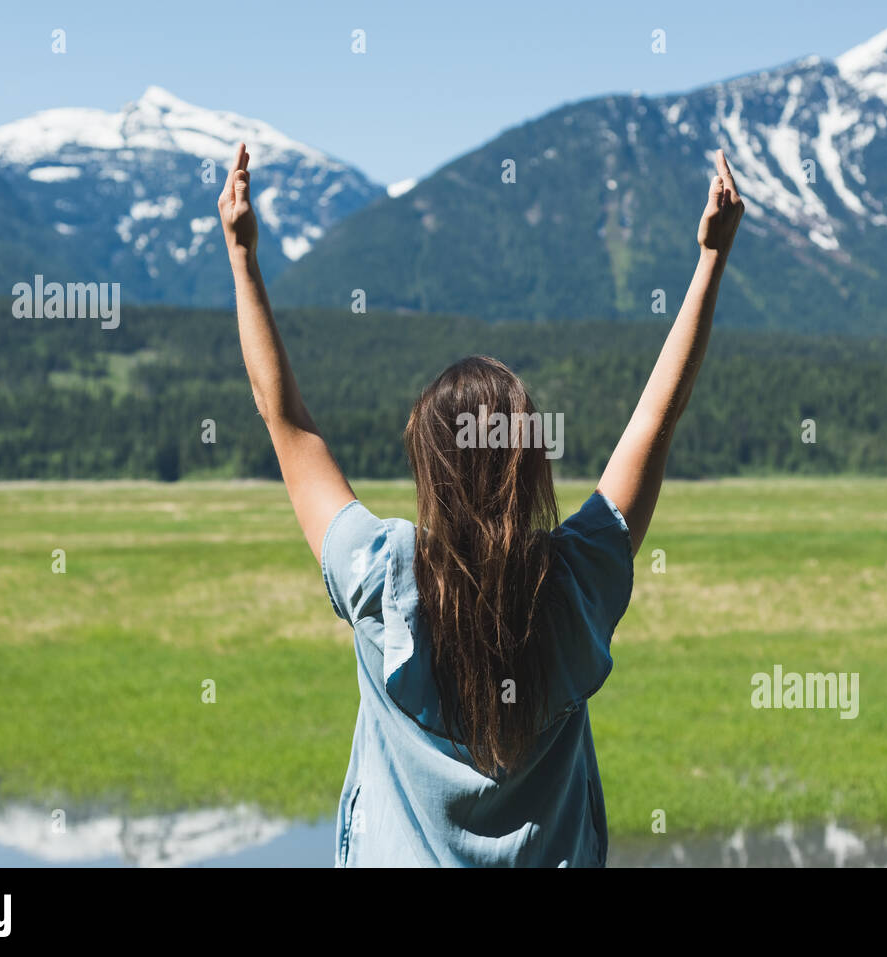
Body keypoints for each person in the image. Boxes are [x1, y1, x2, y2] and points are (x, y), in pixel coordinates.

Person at [218, 141, 745, 866]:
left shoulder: (381, 574)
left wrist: (243, 259)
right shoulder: (576, 577)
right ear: (529, 466)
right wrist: (711, 261)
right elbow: (659, 415)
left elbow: (285, 418)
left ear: (429, 469)